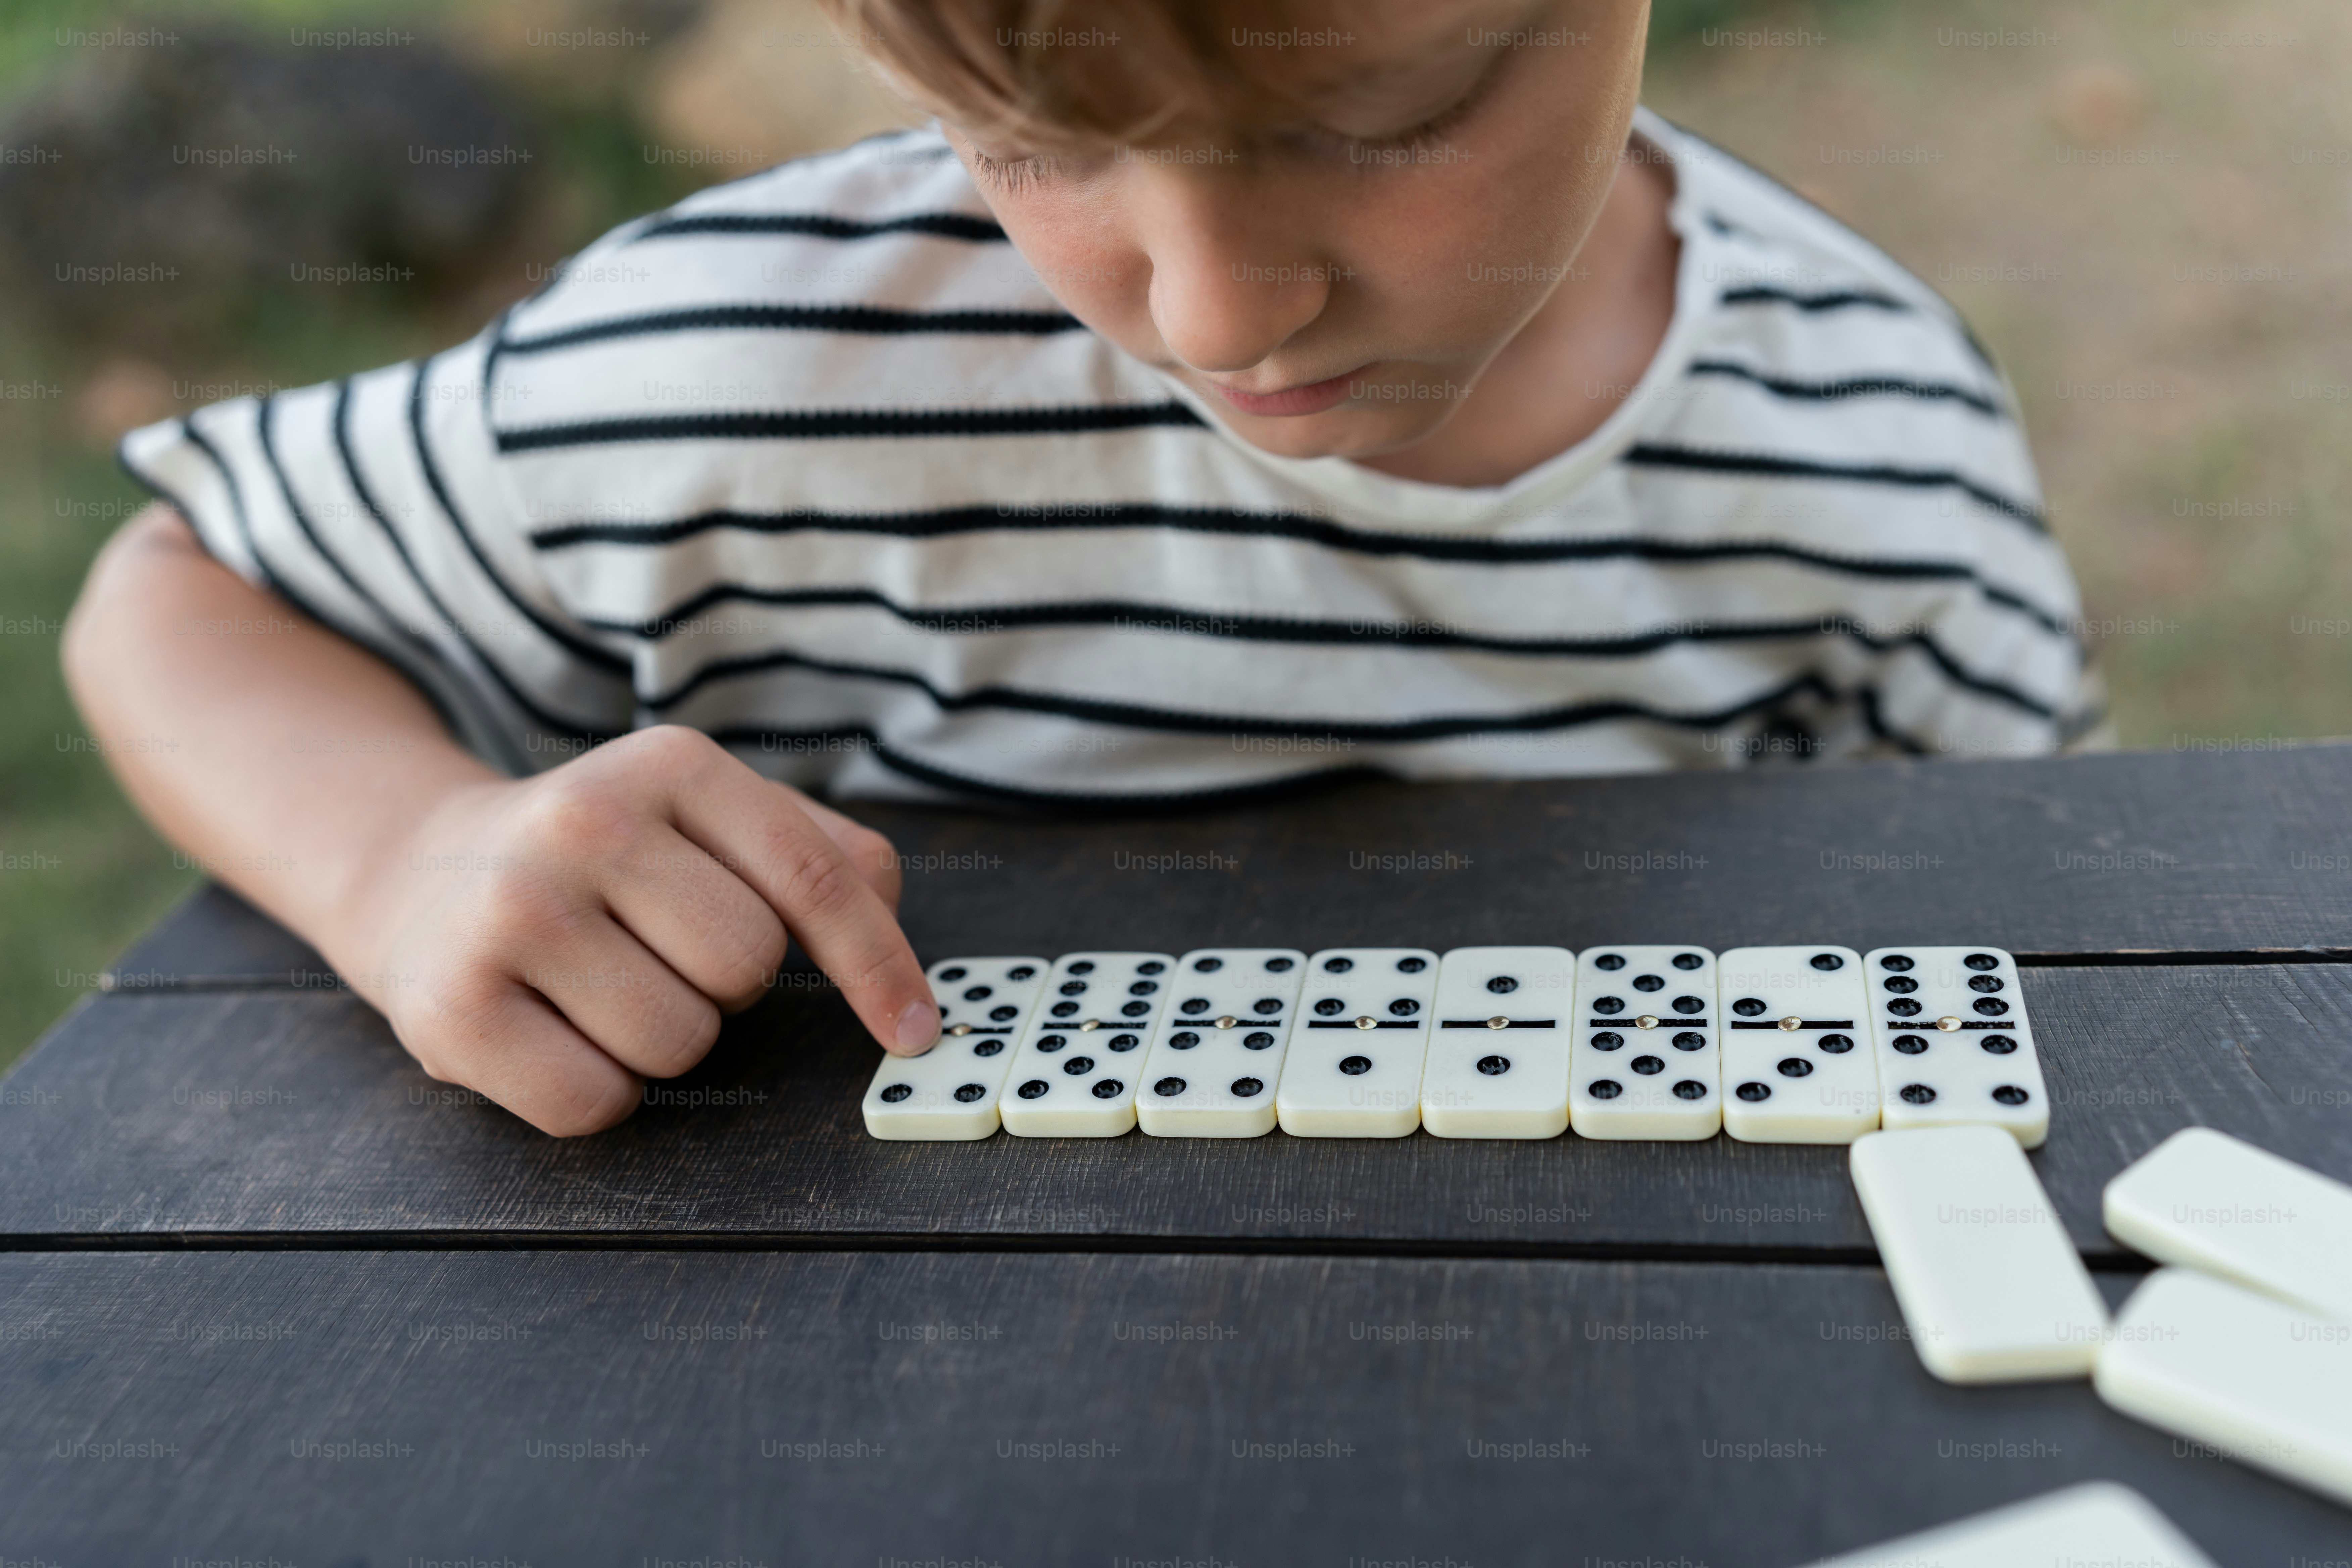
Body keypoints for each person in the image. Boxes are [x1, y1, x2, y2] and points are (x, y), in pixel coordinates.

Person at [63, 0, 2094, 1135]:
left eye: (1385, 120)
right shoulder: (745, 370)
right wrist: (397, 853)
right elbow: (178, 589)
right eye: (1027, 140)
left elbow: (2034, 961)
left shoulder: (1874, 444)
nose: (1219, 308)